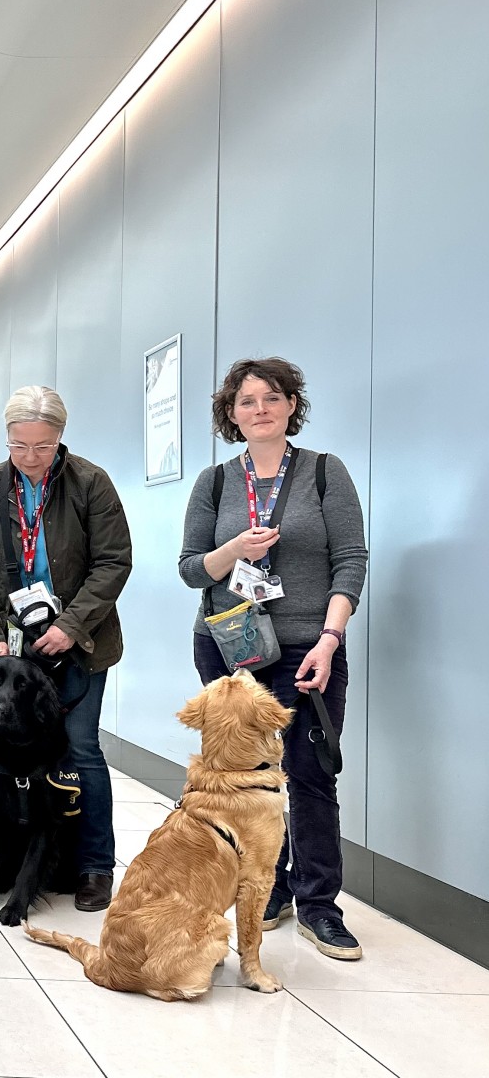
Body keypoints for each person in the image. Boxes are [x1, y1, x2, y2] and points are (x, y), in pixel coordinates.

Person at [179, 357, 367, 960]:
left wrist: (330, 639)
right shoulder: (214, 483)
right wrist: (234, 547)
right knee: (243, 780)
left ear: (291, 405)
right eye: (246, 401)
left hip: (308, 646)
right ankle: (268, 888)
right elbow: (190, 570)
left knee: (310, 776)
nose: (259, 409)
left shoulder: (322, 473)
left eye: (271, 398)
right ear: (230, 414)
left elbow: (351, 560)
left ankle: (320, 906)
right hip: (230, 647)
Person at [0, 385, 132, 912]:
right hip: (5, 644)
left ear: (60, 438)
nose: (30, 457)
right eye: (19, 445)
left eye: (42, 446)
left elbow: (113, 562)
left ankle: (94, 867)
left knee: (80, 752)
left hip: (77, 643)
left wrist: (73, 625)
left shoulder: (91, 484)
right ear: (7, 439)